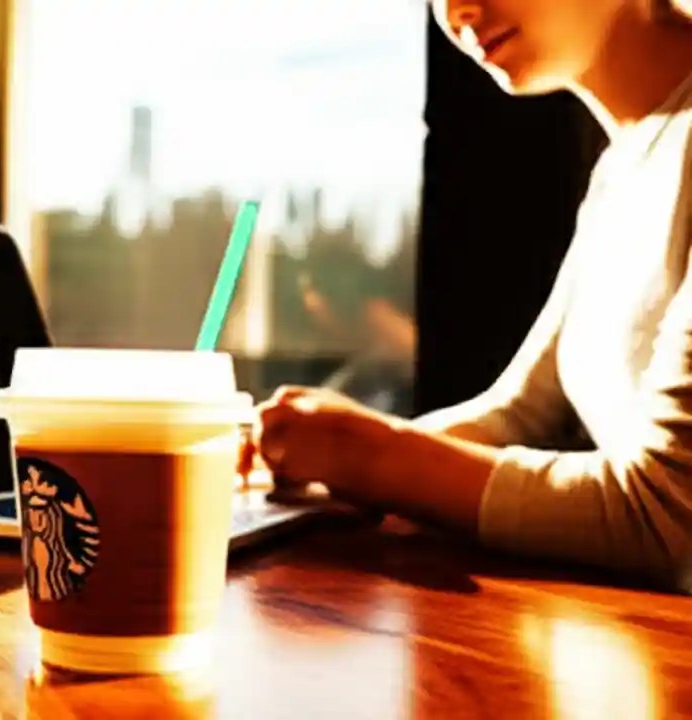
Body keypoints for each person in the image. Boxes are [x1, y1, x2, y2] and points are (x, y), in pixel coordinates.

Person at [242, 0, 692, 590]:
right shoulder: (622, 170)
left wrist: (371, 457)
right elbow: (523, 417)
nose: (457, 10)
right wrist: (309, 457)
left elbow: (666, 516)